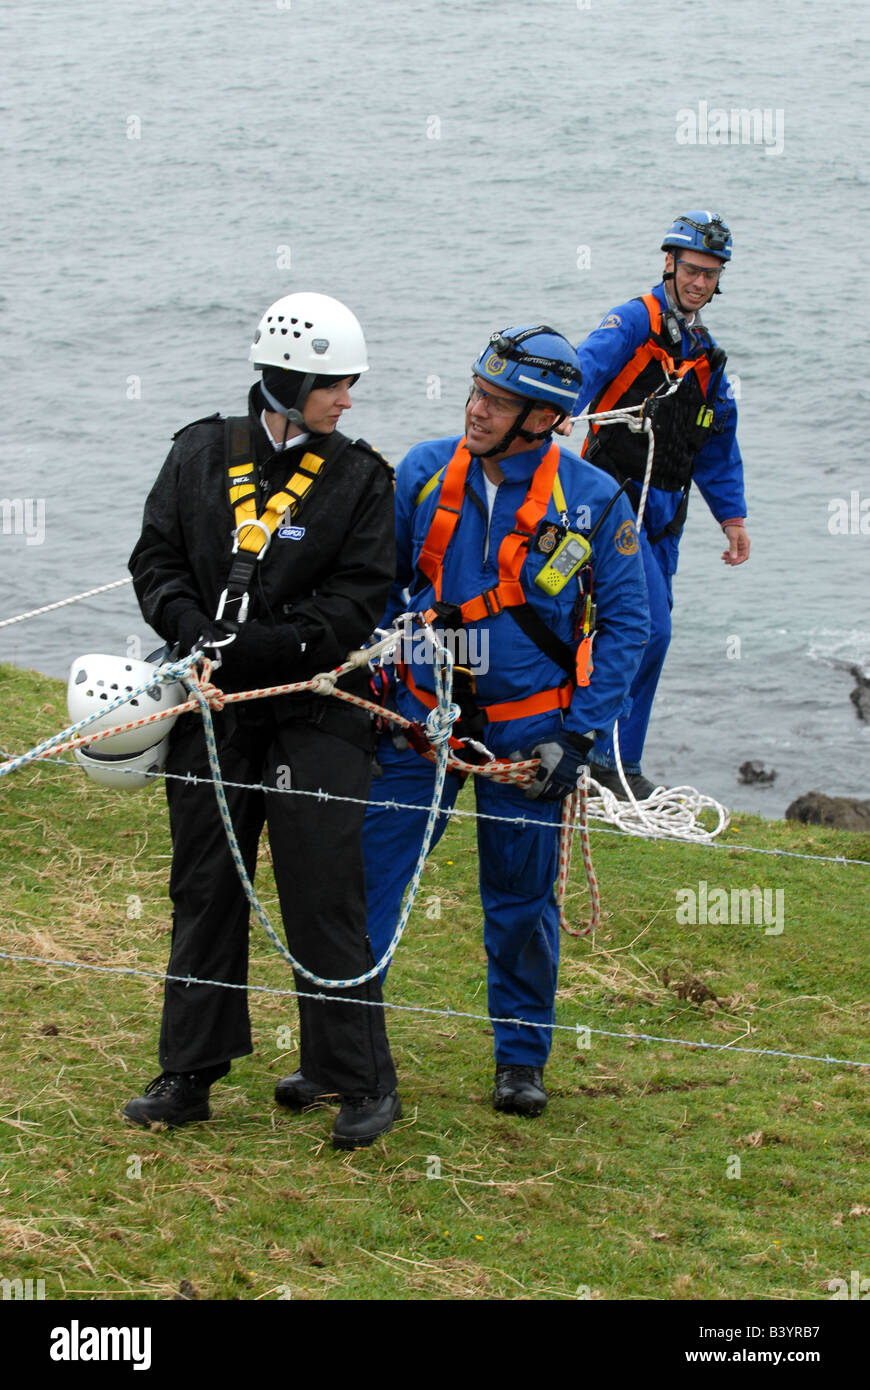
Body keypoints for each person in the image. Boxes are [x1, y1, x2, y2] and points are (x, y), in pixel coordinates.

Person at [278, 326, 647, 1120]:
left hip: (529, 742)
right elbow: (378, 589)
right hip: (415, 724)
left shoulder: (593, 501)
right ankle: (340, 1058)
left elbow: (627, 623)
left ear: (544, 420)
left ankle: (520, 1059)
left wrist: (578, 736)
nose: (477, 409)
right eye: (477, 392)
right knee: (362, 888)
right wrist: (361, 684)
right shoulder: (419, 472)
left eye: (500, 401)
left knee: (519, 906)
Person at [124, 291, 401, 1149]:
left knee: (323, 888)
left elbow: (358, 602)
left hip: (313, 714)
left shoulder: (361, 479)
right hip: (213, 711)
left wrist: (257, 647)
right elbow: (155, 559)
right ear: (288, 379)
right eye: (334, 385)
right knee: (205, 886)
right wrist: (187, 626)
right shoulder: (199, 453)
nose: (346, 400)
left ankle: (354, 1078)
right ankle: (190, 1071)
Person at [573, 211, 750, 800]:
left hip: (665, 516)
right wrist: (535, 424)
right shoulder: (631, 322)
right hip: (613, 502)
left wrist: (733, 519)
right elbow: (582, 370)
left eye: (712, 274)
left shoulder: (705, 355)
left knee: (641, 631)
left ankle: (615, 757)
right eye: (693, 270)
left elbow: (716, 442)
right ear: (669, 264)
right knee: (647, 629)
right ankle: (599, 755)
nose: (701, 283)